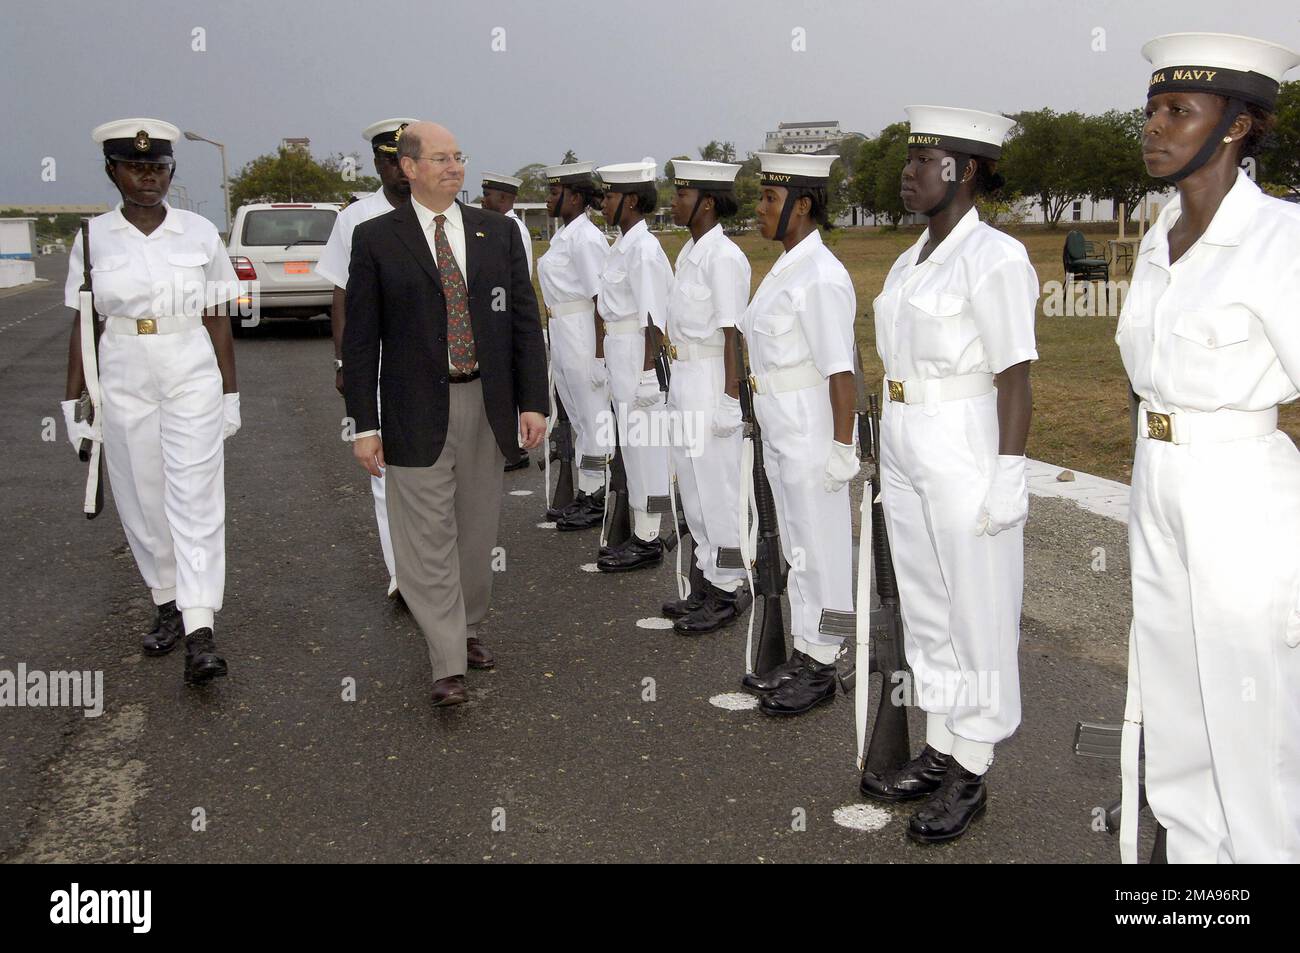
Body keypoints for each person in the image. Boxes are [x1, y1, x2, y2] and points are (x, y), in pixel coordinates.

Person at [1116, 33, 1300, 864]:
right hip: (1159, 475)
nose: (1154, 128)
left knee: (1250, 710)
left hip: (1239, 485)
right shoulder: (1160, 235)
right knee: (1178, 694)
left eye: (1177, 111)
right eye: (1151, 110)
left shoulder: (1279, 240)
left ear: (1235, 126)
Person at [857, 106, 1037, 844]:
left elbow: (1016, 375)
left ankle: (975, 765)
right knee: (929, 605)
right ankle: (940, 742)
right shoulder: (912, 257)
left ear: (962, 170)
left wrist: (1009, 472)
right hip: (905, 436)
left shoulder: (995, 257)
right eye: (909, 161)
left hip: (964, 437)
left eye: (920, 162)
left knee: (978, 609)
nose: (907, 174)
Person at [342, 122, 548, 707]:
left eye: (459, 157)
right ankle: (446, 659)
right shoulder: (376, 239)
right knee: (425, 536)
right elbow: (360, 341)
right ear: (408, 168)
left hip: (486, 404)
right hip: (411, 410)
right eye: (439, 158)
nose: (454, 167)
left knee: (476, 529)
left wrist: (533, 402)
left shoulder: (497, 232)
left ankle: (469, 625)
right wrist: (365, 423)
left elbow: (524, 323)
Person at [60, 118, 240, 685]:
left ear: (171, 172)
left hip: (188, 363)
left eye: (158, 168)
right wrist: (73, 402)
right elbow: (84, 322)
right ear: (113, 171)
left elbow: (218, 316)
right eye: (136, 168)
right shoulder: (91, 238)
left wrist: (230, 390)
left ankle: (200, 624)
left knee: (195, 494)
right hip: (123, 369)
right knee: (142, 493)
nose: (148, 178)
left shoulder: (199, 232)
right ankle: (166, 599)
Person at [735, 153, 858, 715]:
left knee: (823, 547)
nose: (760, 208)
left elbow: (840, 370)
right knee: (798, 544)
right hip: (783, 426)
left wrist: (840, 446)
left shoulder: (822, 275)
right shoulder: (786, 267)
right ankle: (809, 650)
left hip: (810, 429)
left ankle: (827, 660)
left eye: (769, 198)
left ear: (802, 205)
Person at [316, 117, 415, 599]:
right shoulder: (355, 219)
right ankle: (402, 575)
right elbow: (342, 295)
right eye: (390, 159)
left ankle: (438, 573)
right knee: (384, 471)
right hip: (377, 360)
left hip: (436, 363)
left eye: (406, 157)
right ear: (377, 163)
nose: (400, 168)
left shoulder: (441, 211)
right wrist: (343, 363)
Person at [661, 160, 751, 632]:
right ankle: (706, 579)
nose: (673, 203)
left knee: (719, 491)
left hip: (713, 377)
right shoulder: (691, 253)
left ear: (707, 202)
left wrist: (730, 399)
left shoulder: (724, 258)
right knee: (693, 490)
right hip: (685, 375)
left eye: (681, 195)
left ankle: (730, 586)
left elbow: (733, 334)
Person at [593, 160, 674, 572]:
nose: (603, 203)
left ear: (632, 200)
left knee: (648, 449)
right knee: (632, 446)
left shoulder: (643, 249)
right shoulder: (621, 245)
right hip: (620, 348)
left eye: (609, 196)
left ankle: (650, 537)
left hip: (636, 352)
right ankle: (644, 532)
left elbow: (653, 319)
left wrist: (647, 374)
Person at [535, 161, 613, 531]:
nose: (549, 198)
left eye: (554, 192)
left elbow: (601, 300)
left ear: (576, 197)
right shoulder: (564, 235)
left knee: (594, 417)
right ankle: (587, 490)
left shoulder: (585, 239)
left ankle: (599, 497)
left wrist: (600, 355)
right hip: (563, 331)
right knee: (580, 418)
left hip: (583, 332)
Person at [481, 171, 537, 474]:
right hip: (497, 309)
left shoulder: (512, 227)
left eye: (488, 194)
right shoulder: (499, 226)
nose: (483, 199)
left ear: (504, 198)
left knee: (511, 377)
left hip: (507, 311)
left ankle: (515, 446)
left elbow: (519, 278)